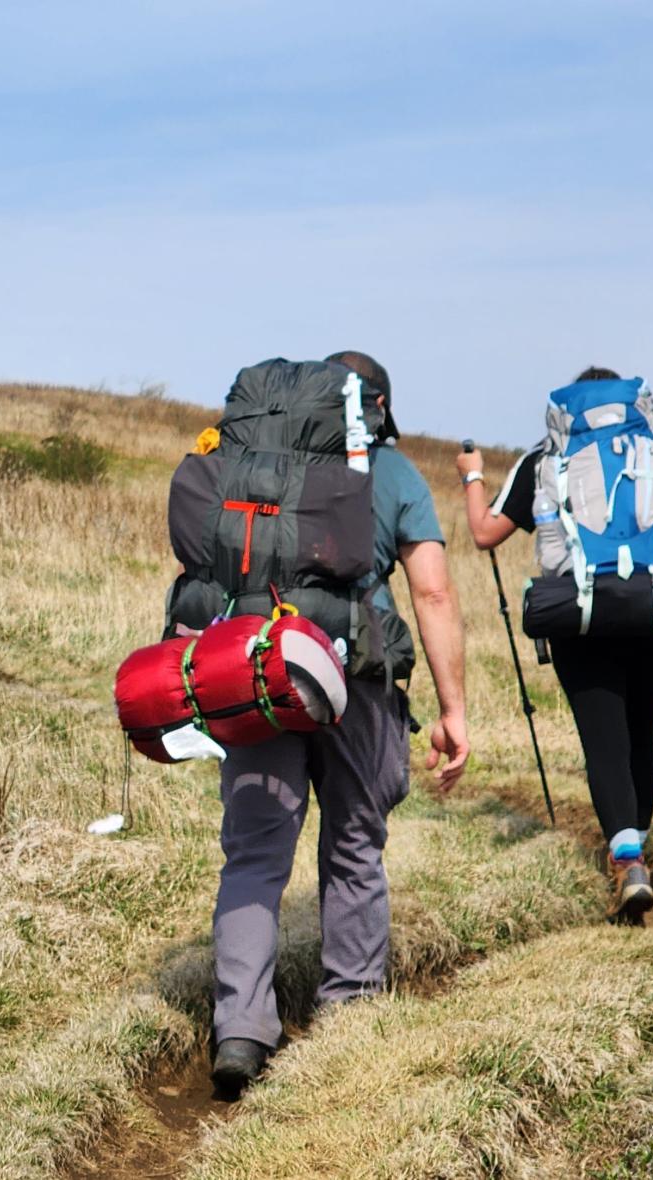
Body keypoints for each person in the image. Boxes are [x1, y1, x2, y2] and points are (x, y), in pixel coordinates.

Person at [209, 350, 469, 1096]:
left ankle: (241, 1032)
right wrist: (452, 711)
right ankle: (348, 1015)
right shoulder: (393, 474)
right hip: (356, 673)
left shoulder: (257, 465)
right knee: (354, 843)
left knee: (255, 854)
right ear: (378, 406)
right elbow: (433, 594)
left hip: (261, 671)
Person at [455, 366, 653, 925]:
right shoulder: (652, 450)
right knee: (641, 734)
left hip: (580, 620)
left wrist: (472, 476)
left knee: (602, 740)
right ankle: (639, 843)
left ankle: (627, 860)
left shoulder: (547, 457)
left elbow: (485, 533)